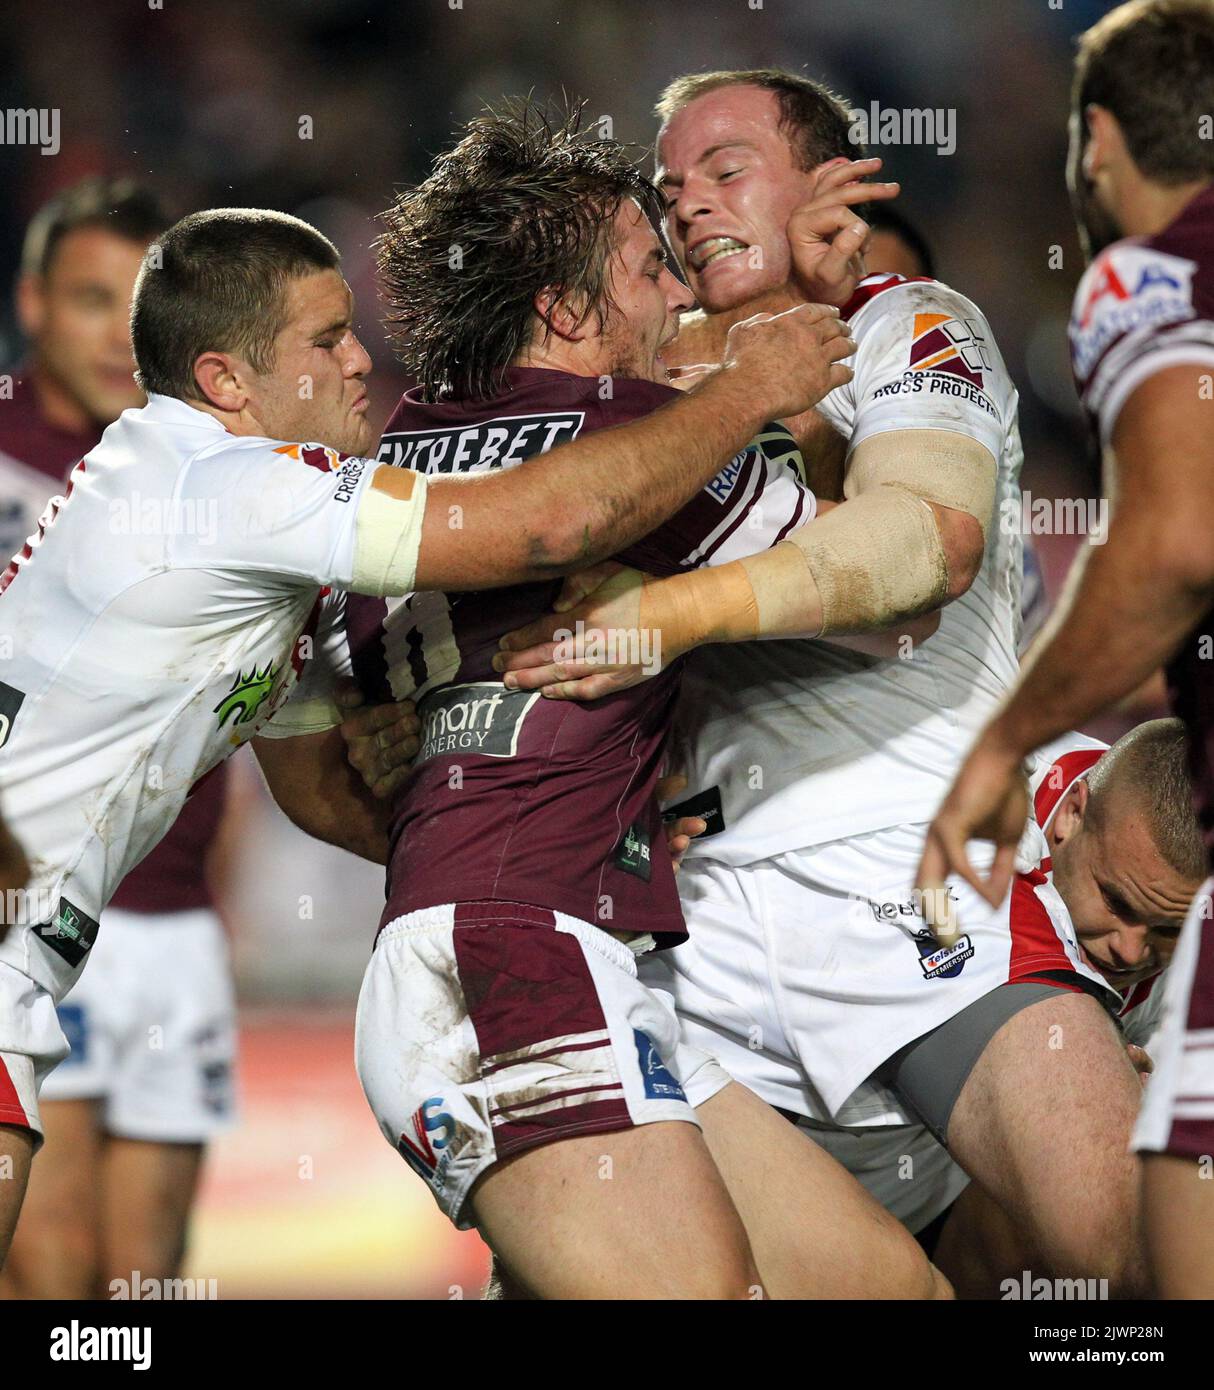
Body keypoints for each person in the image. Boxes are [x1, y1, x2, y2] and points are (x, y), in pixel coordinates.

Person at [0, 201, 845, 1271]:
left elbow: (313, 787)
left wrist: (493, 798)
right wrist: (743, 395)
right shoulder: (232, 487)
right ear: (225, 382)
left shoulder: (224, 523)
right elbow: (540, 524)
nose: (361, 359)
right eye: (324, 339)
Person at [494, 66, 1151, 1294]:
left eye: (727, 170)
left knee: (1121, 1252)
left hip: (907, 876)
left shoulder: (913, 324)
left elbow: (922, 551)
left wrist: (664, 617)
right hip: (686, 936)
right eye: (671, 185)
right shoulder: (637, 385)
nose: (688, 204)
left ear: (827, 184)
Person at [312, 104, 944, 1300]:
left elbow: (340, 737)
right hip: (514, 953)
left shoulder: (393, 458)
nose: (674, 301)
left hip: (522, 945)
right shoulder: (639, 436)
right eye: (650, 270)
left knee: (875, 1284)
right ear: (564, 309)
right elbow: (879, 598)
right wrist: (788, 374)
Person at [916, 0, 1214, 1298]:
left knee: (1144, 1236)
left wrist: (1003, 736)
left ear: (1095, 140)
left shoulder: (1155, 272)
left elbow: (1167, 546)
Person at [0, 176, 242, 1300]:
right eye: (91, 297)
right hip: (35, 909)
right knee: (52, 1271)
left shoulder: (213, 476)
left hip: (175, 914)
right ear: (33, 303)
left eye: (138, 301)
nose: (115, 331)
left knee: (149, 1284)